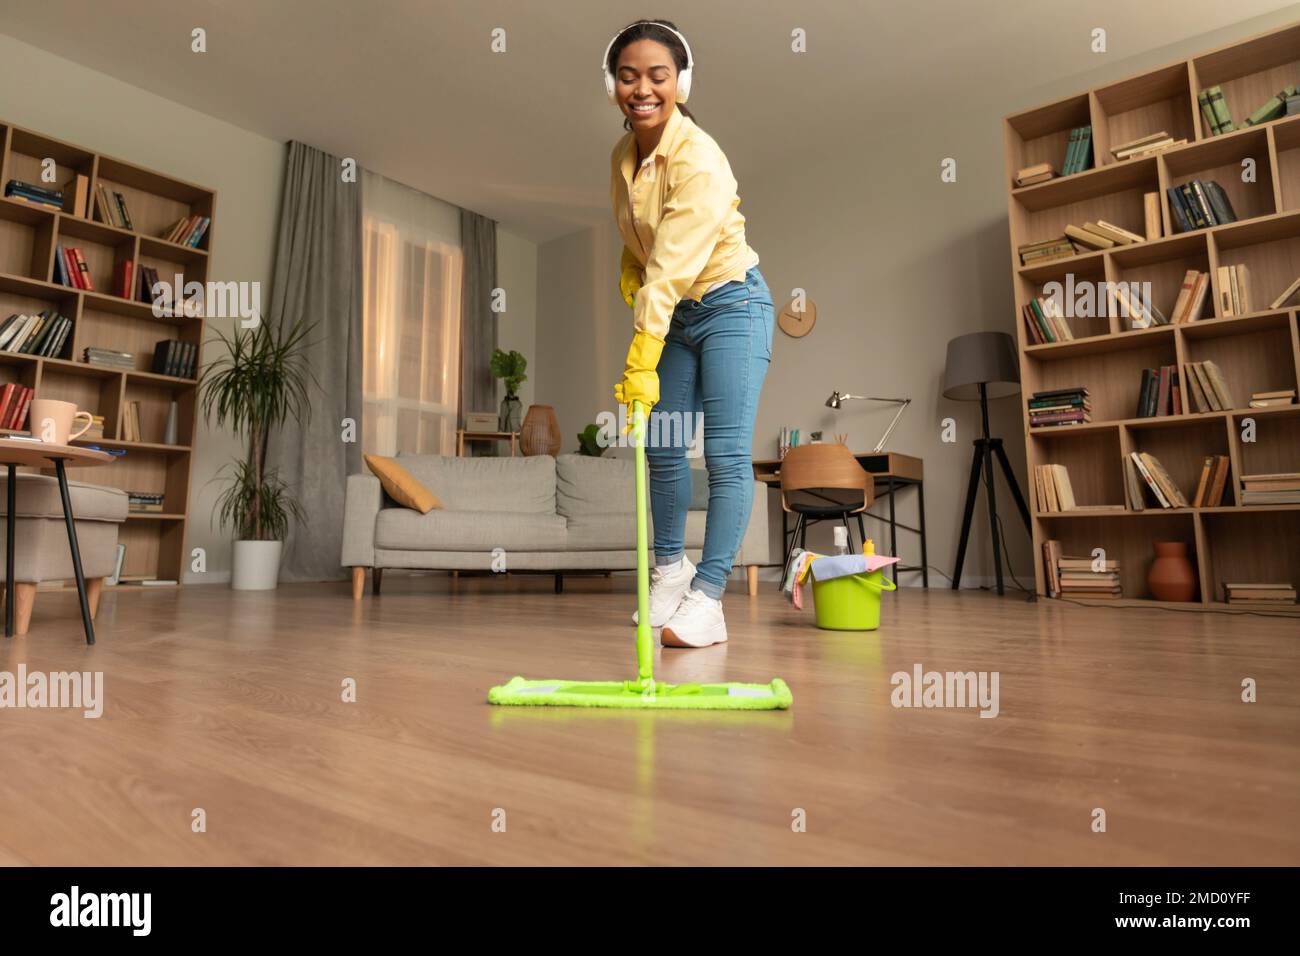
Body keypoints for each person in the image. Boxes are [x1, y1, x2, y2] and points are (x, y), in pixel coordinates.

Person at [606, 19, 774, 647]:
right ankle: (671, 573)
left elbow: (672, 267)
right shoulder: (623, 156)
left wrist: (639, 359)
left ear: (680, 82)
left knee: (726, 456)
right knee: (663, 447)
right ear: (614, 84)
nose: (642, 88)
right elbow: (637, 236)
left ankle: (708, 599)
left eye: (657, 75)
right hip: (675, 313)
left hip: (732, 305)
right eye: (629, 76)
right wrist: (629, 266)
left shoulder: (699, 156)